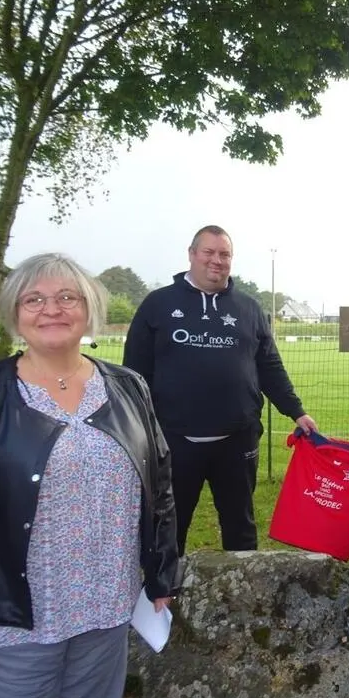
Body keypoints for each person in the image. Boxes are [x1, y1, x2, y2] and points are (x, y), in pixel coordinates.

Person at [0, 253, 179, 698]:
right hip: (13, 626)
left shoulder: (128, 387)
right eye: (34, 299)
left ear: (88, 307)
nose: (51, 309)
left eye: (66, 297)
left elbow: (159, 486)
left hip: (106, 612)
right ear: (15, 312)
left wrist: (160, 575)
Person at [124, 225, 318, 555]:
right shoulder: (158, 304)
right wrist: (135, 428)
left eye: (224, 254)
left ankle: (243, 586)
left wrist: (296, 411)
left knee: (240, 526)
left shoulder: (249, 308)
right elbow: (134, 374)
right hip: (173, 441)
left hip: (237, 440)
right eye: (209, 252)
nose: (217, 260)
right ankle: (166, 587)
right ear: (192, 254)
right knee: (169, 526)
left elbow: (269, 366)